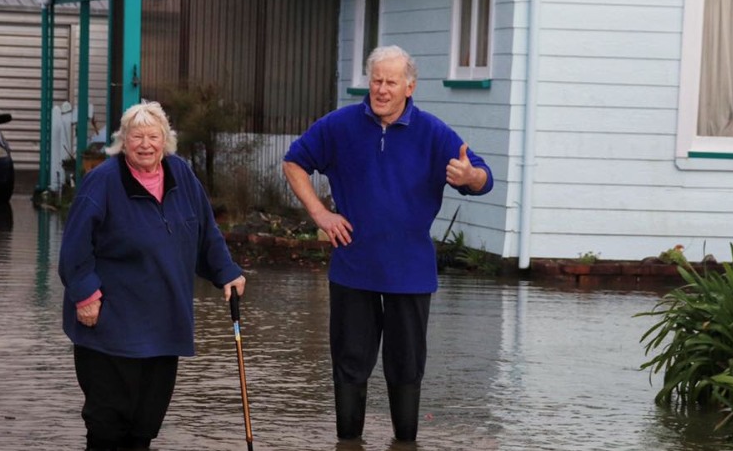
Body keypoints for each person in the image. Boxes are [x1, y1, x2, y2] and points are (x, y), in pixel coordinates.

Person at [282, 45, 494, 443]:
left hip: (410, 272)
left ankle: (406, 442)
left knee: (406, 368)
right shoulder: (339, 125)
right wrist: (320, 214)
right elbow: (294, 162)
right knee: (349, 366)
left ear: (409, 87)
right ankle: (348, 442)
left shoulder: (433, 132)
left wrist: (468, 177)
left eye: (391, 82)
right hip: (353, 267)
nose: (381, 89)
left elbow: (484, 176)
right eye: (376, 80)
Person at [59, 101, 246, 451]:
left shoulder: (182, 175)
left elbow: (204, 231)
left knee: (145, 422)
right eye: (136, 137)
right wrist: (85, 295)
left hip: (163, 321)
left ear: (165, 140)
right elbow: (73, 249)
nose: (145, 144)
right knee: (107, 422)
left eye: (152, 136)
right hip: (110, 323)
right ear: (122, 141)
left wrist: (227, 272)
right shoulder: (101, 182)